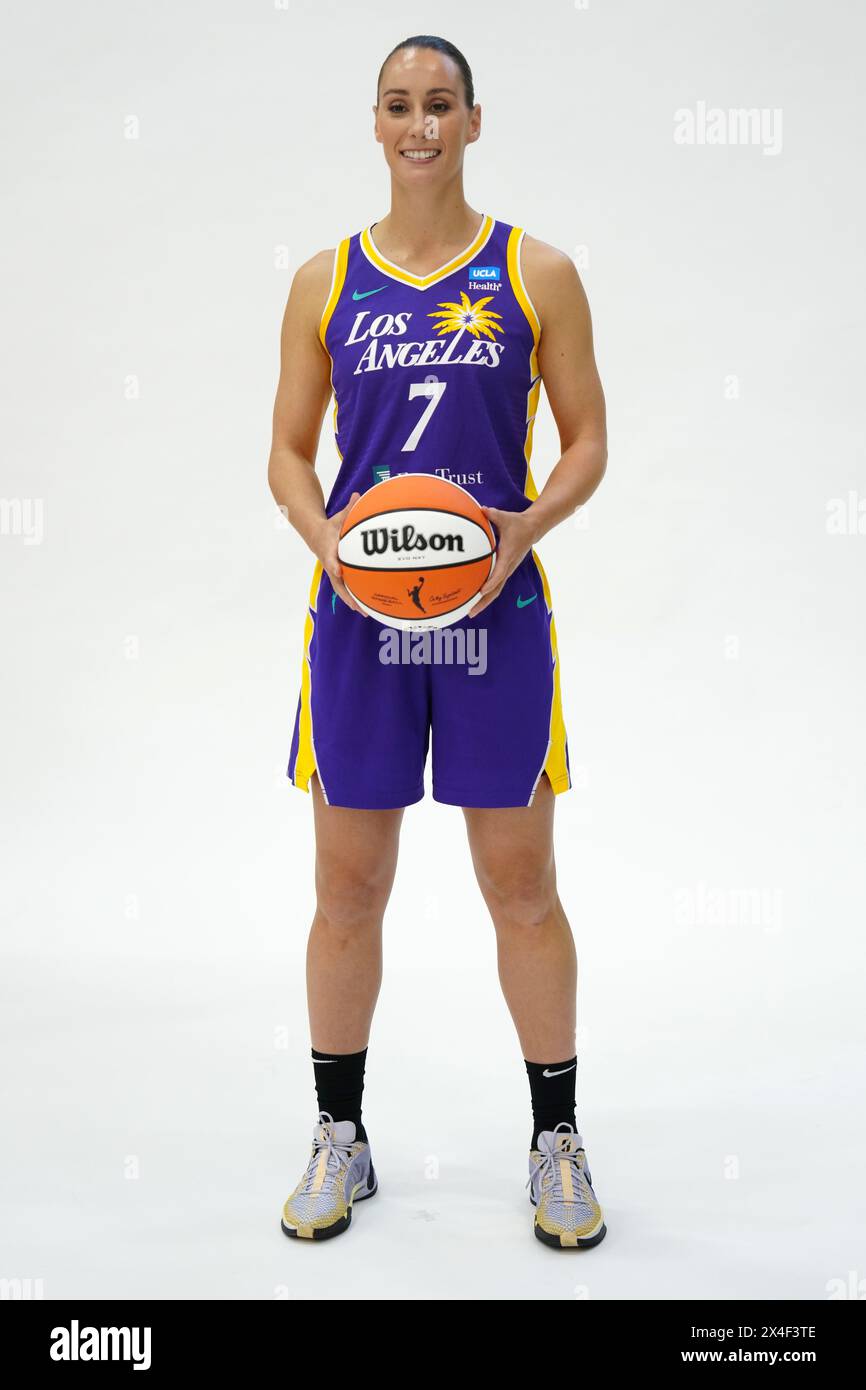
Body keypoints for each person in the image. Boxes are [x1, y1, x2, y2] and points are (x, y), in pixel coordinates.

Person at [267, 34, 608, 1248]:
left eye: (440, 105)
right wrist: (333, 548)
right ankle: (340, 1135)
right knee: (346, 886)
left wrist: (520, 527)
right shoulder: (323, 279)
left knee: (520, 887)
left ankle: (555, 1140)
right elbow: (286, 458)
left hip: (495, 614)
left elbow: (585, 443)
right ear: (373, 123)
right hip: (358, 626)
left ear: (473, 120)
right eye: (399, 105)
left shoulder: (535, 270)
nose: (419, 124)